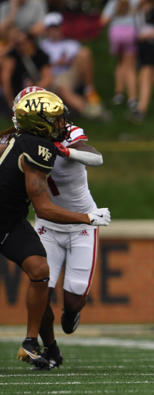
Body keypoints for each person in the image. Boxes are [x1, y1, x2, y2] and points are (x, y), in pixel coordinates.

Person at [0, 89, 110, 369]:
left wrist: (67, 150)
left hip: (63, 219)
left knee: (68, 295)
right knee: (43, 283)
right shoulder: (23, 141)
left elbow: (96, 157)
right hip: (49, 220)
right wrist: (88, 217)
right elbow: (44, 206)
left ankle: (44, 340)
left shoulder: (61, 136)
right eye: (55, 118)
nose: (62, 122)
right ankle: (41, 344)